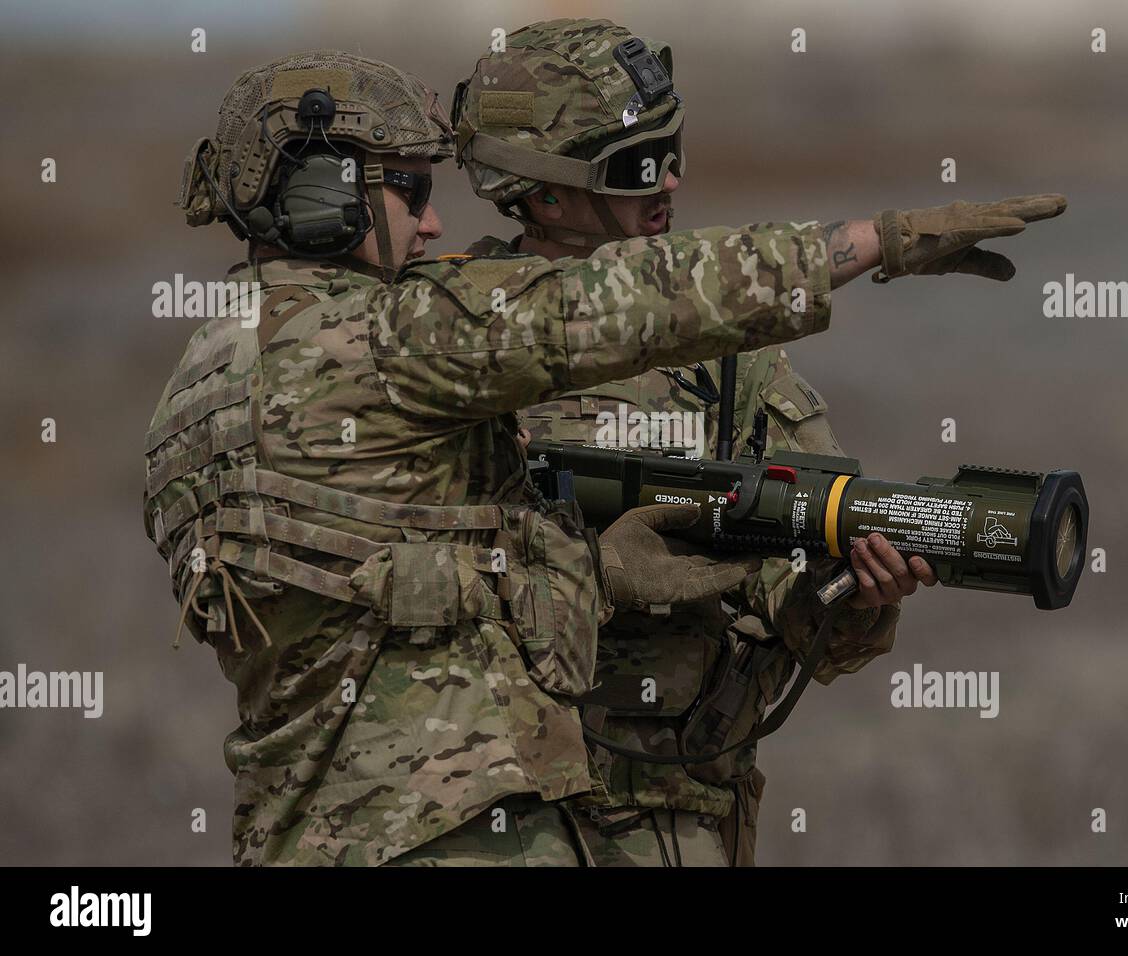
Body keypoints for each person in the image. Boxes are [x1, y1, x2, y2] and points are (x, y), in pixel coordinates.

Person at [147, 49, 759, 866]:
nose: (432, 224)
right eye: (411, 191)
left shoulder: (204, 381)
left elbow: (385, 556)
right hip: (444, 829)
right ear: (322, 194)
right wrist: (877, 245)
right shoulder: (385, 347)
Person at [451, 17, 944, 866]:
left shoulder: (729, 362)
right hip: (491, 819)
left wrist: (857, 598)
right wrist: (593, 578)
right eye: (639, 165)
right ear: (546, 191)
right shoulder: (447, 349)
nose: (671, 180)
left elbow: (802, 606)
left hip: (673, 824)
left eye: (674, 147)